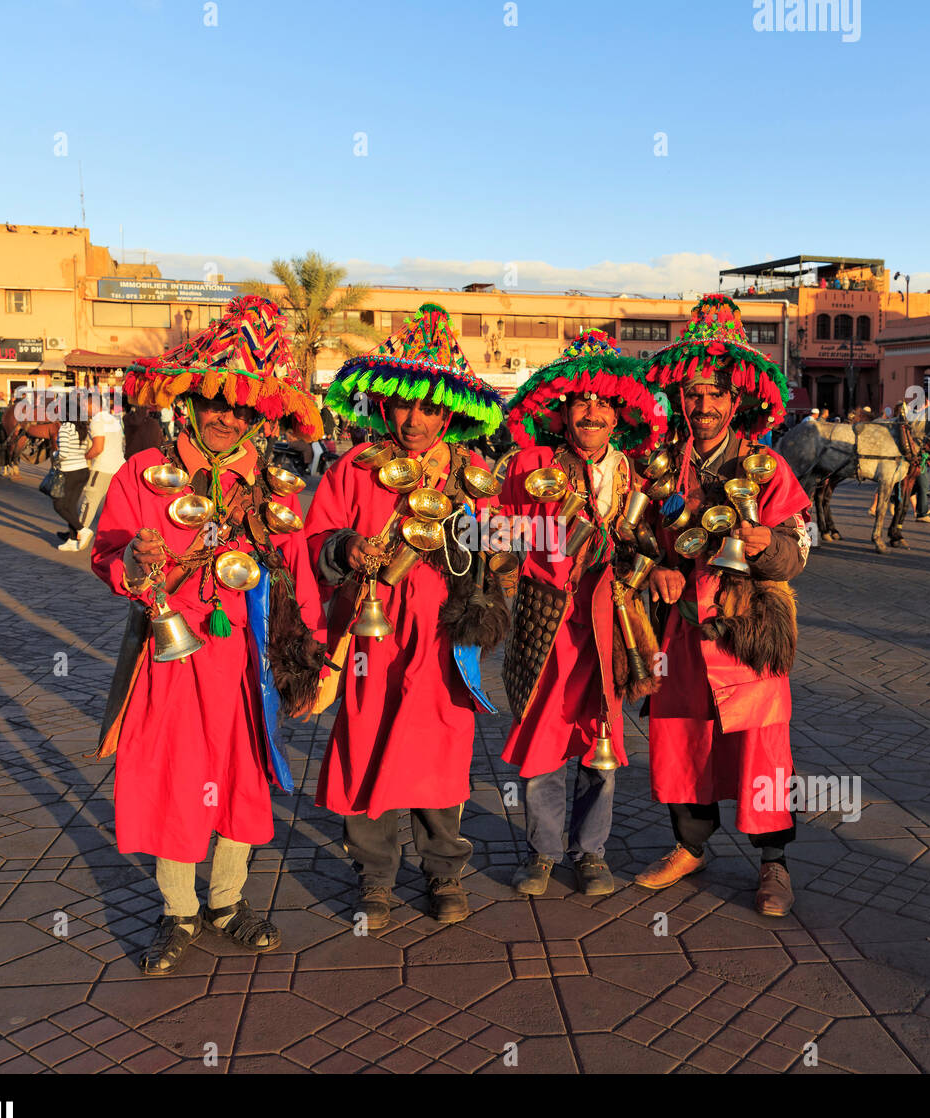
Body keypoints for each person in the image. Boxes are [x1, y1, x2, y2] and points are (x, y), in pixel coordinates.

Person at [91, 295, 329, 975]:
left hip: (245, 662)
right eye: (216, 403)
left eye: (243, 408)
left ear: (260, 413)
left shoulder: (274, 488)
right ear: (192, 402)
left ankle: (227, 902)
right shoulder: (144, 473)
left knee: (240, 774)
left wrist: (311, 657)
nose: (228, 418)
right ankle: (177, 910)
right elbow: (107, 550)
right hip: (170, 657)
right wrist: (132, 564)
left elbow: (299, 579)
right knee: (172, 774)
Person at [307, 303, 509, 929]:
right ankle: (374, 876)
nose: (414, 419)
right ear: (385, 405)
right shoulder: (353, 468)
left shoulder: (472, 477)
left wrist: (494, 554)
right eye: (403, 405)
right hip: (373, 634)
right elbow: (315, 542)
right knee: (365, 737)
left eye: (428, 408)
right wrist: (346, 547)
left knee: (442, 746)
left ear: (450, 411)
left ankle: (444, 870)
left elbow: (499, 553)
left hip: (445, 635)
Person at [636, 294, 811, 917]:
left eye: (715, 394)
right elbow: (635, 542)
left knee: (762, 746)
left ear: (736, 401)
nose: (703, 406)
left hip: (749, 630)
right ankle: (689, 846)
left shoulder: (766, 468)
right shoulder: (660, 470)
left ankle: (773, 863)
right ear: (680, 400)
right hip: (681, 631)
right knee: (681, 736)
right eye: (692, 394)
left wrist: (768, 546)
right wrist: (656, 567)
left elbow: (799, 552)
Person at [499, 330, 666, 898]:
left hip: (610, 624)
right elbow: (498, 533)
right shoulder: (530, 464)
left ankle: (591, 852)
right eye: (580, 402)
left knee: (603, 738)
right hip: (549, 621)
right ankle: (543, 852)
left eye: (602, 403)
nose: (591, 412)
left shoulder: (637, 475)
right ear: (563, 411)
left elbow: (654, 542)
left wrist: (636, 565)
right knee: (543, 737)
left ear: (618, 414)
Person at [76, 387, 125, 548]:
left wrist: (82, 458)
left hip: (103, 467)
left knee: (90, 501)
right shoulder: (113, 419)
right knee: (115, 505)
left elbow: (98, 448)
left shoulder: (97, 421)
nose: (83, 409)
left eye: (84, 405)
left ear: (92, 405)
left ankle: (80, 533)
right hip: (119, 466)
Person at [54, 408, 91, 551]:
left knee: (59, 505)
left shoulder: (64, 428)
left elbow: (63, 453)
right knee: (71, 506)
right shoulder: (81, 428)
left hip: (70, 471)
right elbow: (87, 446)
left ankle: (82, 530)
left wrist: (54, 454)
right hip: (82, 470)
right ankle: (72, 539)